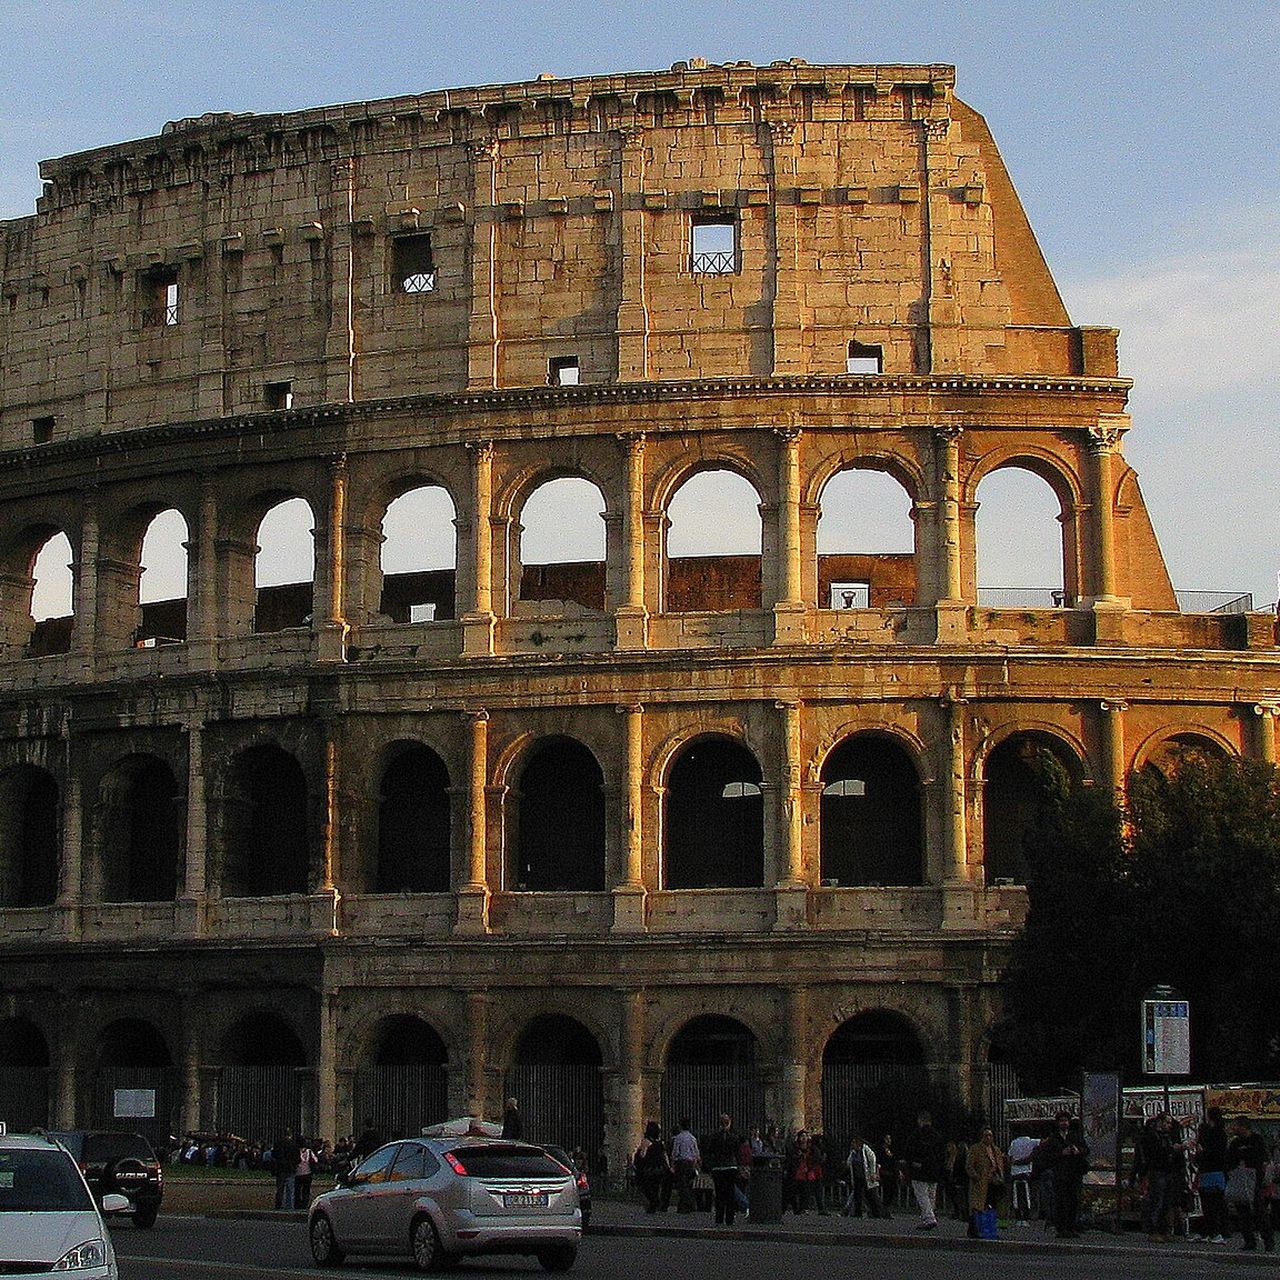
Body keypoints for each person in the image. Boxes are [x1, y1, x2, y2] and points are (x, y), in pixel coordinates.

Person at [1227, 1115, 1273, 1252]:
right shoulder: (1235, 1143)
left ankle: (1268, 1240)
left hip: (1255, 1180)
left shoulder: (1256, 1140)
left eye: (1235, 1125)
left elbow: (1260, 1157)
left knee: (1259, 1212)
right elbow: (1229, 1159)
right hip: (1240, 1179)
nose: (1233, 1128)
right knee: (1242, 1212)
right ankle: (1249, 1241)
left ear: (1243, 1126)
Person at [1039, 1111, 1089, 1238]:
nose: (1064, 1123)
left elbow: (1086, 1150)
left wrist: (1077, 1151)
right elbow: (1047, 1157)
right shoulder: (1053, 1138)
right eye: (1061, 1121)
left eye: (1066, 1120)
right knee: (1061, 1202)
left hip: (1074, 1173)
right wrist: (1062, 1153)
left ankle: (1071, 1227)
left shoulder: (1075, 1136)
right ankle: (1061, 1228)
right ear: (1058, 1123)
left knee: (1074, 1201)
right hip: (1060, 1174)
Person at [902, 1110, 945, 1230]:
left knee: (922, 1195)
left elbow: (909, 1151)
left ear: (920, 1120)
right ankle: (929, 1216)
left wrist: (912, 1162)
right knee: (931, 1194)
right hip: (934, 1169)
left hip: (919, 1169)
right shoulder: (937, 1135)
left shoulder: (917, 1134)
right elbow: (941, 1154)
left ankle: (928, 1218)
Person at [1196, 1106, 1229, 1243]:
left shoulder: (1212, 1134)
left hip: (1210, 1170)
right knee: (1214, 1203)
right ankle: (1210, 1231)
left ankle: (1213, 1231)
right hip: (1217, 1171)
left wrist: (1201, 1153)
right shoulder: (1221, 1133)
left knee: (1210, 1203)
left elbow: (1208, 1152)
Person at [702, 1113, 743, 1226]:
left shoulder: (714, 1136)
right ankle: (729, 1219)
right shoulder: (734, 1136)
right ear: (729, 1122)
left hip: (718, 1167)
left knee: (719, 1194)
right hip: (731, 1167)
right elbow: (737, 1152)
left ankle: (719, 1218)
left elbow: (709, 1151)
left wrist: (710, 1166)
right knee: (730, 1193)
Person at [965, 1128, 1005, 1236]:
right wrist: (975, 1176)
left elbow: (1000, 1164)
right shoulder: (976, 1149)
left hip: (993, 1182)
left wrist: (1000, 1176)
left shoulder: (996, 1150)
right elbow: (969, 1165)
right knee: (977, 1207)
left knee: (990, 1206)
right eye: (986, 1135)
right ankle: (974, 1230)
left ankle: (989, 1230)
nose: (988, 1138)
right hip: (980, 1182)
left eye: (990, 1135)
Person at [844, 1131, 885, 1218]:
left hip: (866, 1176)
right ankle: (858, 1212)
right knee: (857, 1195)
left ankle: (878, 1213)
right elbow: (849, 1162)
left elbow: (872, 1160)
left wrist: (873, 1173)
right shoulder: (853, 1152)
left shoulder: (865, 1149)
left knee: (872, 1195)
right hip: (857, 1176)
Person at [635, 1121, 673, 1213]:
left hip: (649, 1168)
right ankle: (655, 1203)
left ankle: (653, 1203)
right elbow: (665, 1156)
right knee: (655, 1187)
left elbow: (642, 1155)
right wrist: (668, 1167)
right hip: (659, 1168)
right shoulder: (660, 1143)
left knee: (647, 1187)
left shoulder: (646, 1141)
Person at [1007, 1129, 1038, 1224]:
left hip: (1015, 1173)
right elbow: (1043, 1143)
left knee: (1016, 1194)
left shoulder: (1014, 1143)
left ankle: (1017, 1213)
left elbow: (1010, 1156)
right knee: (1028, 1193)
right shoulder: (1032, 1142)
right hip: (1027, 1173)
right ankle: (1027, 1212)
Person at [670, 1117, 700, 1213]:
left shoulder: (678, 1138)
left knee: (682, 1185)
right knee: (688, 1184)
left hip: (681, 1163)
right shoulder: (692, 1138)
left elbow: (675, 1152)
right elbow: (696, 1153)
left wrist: (673, 1164)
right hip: (690, 1163)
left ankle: (687, 1204)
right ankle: (685, 1205)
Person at [272, 1129, 301, 1211]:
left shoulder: (278, 1143)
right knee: (290, 1189)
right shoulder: (294, 1145)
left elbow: (274, 1155)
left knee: (280, 1188)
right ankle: (289, 1206)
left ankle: (279, 1205)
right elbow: (298, 1158)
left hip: (281, 1168)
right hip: (291, 1168)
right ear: (290, 1135)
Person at [295, 1137, 317, 1209]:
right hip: (308, 1173)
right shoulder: (309, 1151)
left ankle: (297, 1204)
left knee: (297, 1190)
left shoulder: (296, 1151)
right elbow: (315, 1160)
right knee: (306, 1190)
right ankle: (305, 1204)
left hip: (297, 1173)